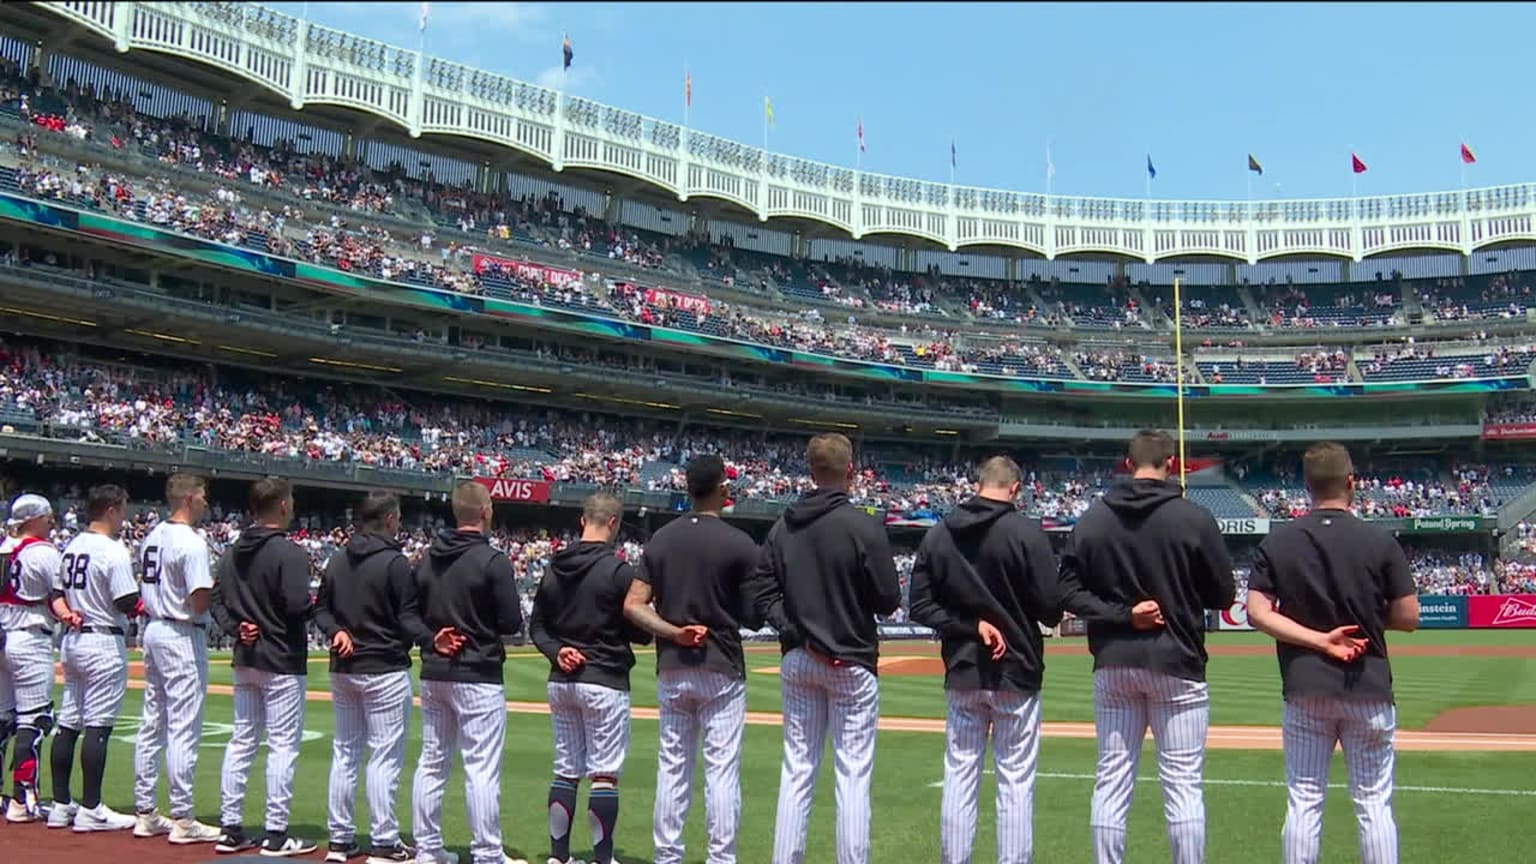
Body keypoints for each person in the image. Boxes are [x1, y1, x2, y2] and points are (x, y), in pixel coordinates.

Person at [1058, 429, 1235, 864]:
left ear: (1127, 462)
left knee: (1112, 780)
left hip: (1114, 661)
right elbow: (1223, 596)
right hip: (1177, 661)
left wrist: (1122, 613)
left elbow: (1065, 592)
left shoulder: (1093, 518)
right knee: (1182, 783)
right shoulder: (1193, 518)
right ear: (1171, 465)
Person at [1244, 442, 1420, 864]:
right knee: (1373, 803)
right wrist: (1368, 620)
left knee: (1304, 801)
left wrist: (1316, 639)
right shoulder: (1379, 541)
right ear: (1351, 483)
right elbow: (1409, 616)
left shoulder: (1280, 541)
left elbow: (1256, 612)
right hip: (1369, 685)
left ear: (1306, 486)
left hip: (1306, 684)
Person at [748, 433, 903, 864]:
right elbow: (889, 599)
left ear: (810, 471)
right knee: (852, 776)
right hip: (850, 658)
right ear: (850, 471)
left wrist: (794, 627)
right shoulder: (862, 525)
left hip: (798, 658)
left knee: (797, 771)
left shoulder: (783, 526)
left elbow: (762, 593)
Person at [907, 456, 1062, 864]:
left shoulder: (939, 534)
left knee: (959, 777)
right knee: (1014, 782)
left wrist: (967, 624)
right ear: (1014, 489)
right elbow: (1051, 610)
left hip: (962, 669)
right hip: (1016, 669)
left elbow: (919, 606)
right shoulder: (1026, 533)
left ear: (978, 484)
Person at [623, 455, 760, 864]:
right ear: (721, 488)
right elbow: (753, 617)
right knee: (720, 772)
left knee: (673, 766)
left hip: (673, 665)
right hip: (720, 665)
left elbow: (633, 605)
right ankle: (721, 858)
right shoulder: (739, 543)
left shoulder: (661, 539)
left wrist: (672, 631)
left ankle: (667, 856)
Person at [530, 492, 652, 864]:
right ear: (613, 524)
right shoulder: (620, 572)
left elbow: (537, 628)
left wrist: (557, 651)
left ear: (583, 521)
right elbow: (642, 633)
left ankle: (558, 857)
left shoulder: (553, 567)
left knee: (566, 770)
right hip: (604, 679)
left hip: (561, 678)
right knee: (604, 775)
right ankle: (602, 858)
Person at [411, 480, 528, 864]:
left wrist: (433, 637)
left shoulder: (427, 559)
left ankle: (427, 851)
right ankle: (487, 853)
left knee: (432, 762)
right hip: (478, 673)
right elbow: (511, 622)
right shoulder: (492, 560)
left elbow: (408, 613)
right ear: (484, 512)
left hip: (435, 670)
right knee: (480, 768)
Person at [313, 491, 428, 864]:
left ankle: (340, 841)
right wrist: (430, 639)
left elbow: (322, 611)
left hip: (344, 667)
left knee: (345, 752)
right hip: (384, 669)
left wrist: (337, 632)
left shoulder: (337, 558)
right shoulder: (395, 563)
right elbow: (408, 619)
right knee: (384, 757)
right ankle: (383, 841)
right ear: (391, 519)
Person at [209, 477, 316, 857]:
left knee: (242, 740)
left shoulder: (232, 549)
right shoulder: (289, 552)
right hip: (282, 657)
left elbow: (216, 599)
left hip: (247, 654)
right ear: (283, 506)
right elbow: (296, 606)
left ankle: (230, 827)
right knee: (282, 746)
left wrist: (237, 628)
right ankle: (275, 832)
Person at [132, 473, 223, 844]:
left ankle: (145, 811)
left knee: (153, 721)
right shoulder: (191, 541)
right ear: (188, 497)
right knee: (183, 725)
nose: (205, 502)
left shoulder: (153, 536)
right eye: (201, 496)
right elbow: (199, 600)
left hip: (153, 627)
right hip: (182, 631)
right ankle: (183, 818)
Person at [49, 484, 140, 832]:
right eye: (123, 510)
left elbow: (57, 594)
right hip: (102, 639)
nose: (124, 518)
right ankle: (91, 808)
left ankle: (60, 804)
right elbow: (126, 601)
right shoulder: (111, 550)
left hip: (72, 639)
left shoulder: (71, 546)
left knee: (69, 722)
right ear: (112, 510)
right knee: (98, 726)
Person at [1, 493, 77, 823]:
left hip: (2, 635)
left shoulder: (2, 548)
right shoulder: (43, 553)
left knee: (3, 719)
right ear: (33, 519)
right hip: (29, 637)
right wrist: (70, 615)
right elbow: (58, 596)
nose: (51, 522)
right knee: (35, 719)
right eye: (46, 517)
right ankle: (23, 798)